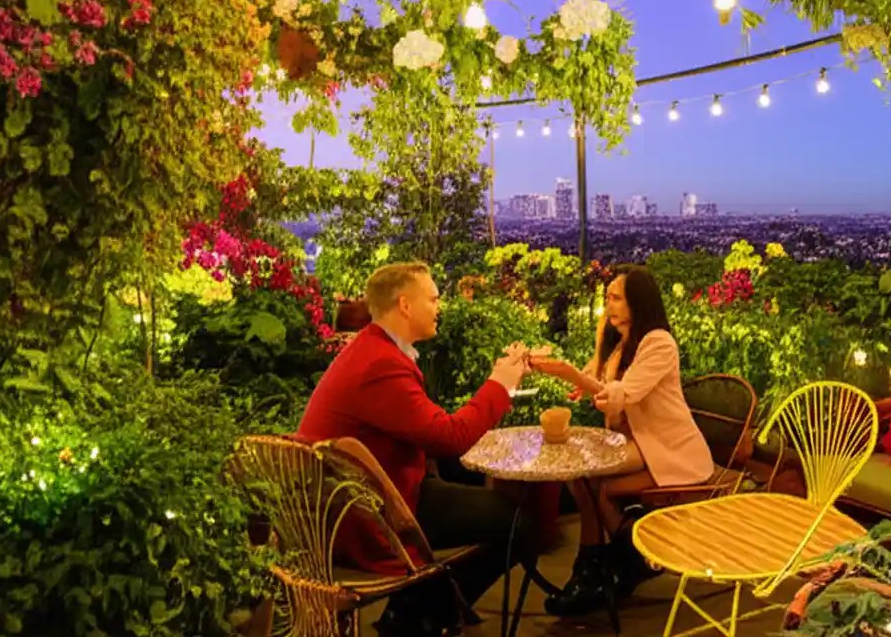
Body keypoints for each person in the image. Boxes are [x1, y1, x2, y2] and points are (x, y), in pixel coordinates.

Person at [297, 262, 532, 637]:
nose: (440, 306)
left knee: (470, 485)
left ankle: (424, 605)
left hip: (356, 496)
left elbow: (428, 430)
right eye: (434, 298)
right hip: (369, 515)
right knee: (519, 522)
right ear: (405, 305)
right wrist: (500, 384)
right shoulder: (380, 365)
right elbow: (449, 437)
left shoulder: (373, 349)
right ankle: (419, 614)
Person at [529, 265, 715, 616]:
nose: (608, 305)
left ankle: (611, 564)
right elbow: (593, 381)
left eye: (616, 298)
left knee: (590, 480)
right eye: (608, 298)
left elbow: (620, 395)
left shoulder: (659, 342)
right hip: (636, 445)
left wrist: (572, 375)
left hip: (666, 448)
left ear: (637, 302)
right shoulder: (623, 345)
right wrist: (597, 344)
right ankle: (609, 563)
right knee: (581, 478)